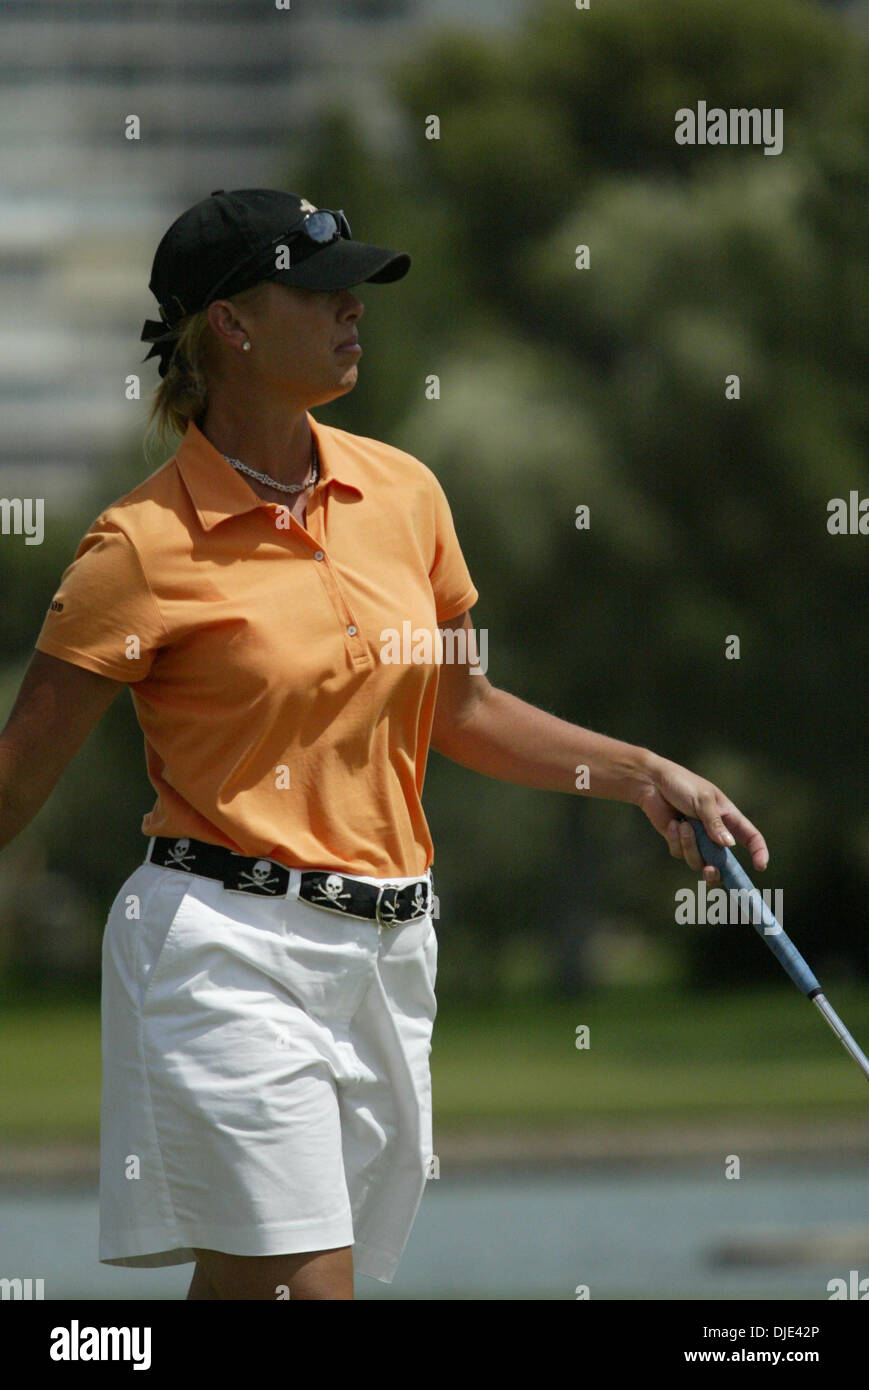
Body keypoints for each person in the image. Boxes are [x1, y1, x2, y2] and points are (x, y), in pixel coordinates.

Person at [0, 188, 768, 1301]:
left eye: (353, 290)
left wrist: (642, 773)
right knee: (309, 1287)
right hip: (222, 949)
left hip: (390, 952)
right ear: (231, 324)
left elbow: (462, 711)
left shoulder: (403, 493)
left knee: (255, 1287)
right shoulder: (138, 547)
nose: (351, 309)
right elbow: (14, 787)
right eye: (319, 292)